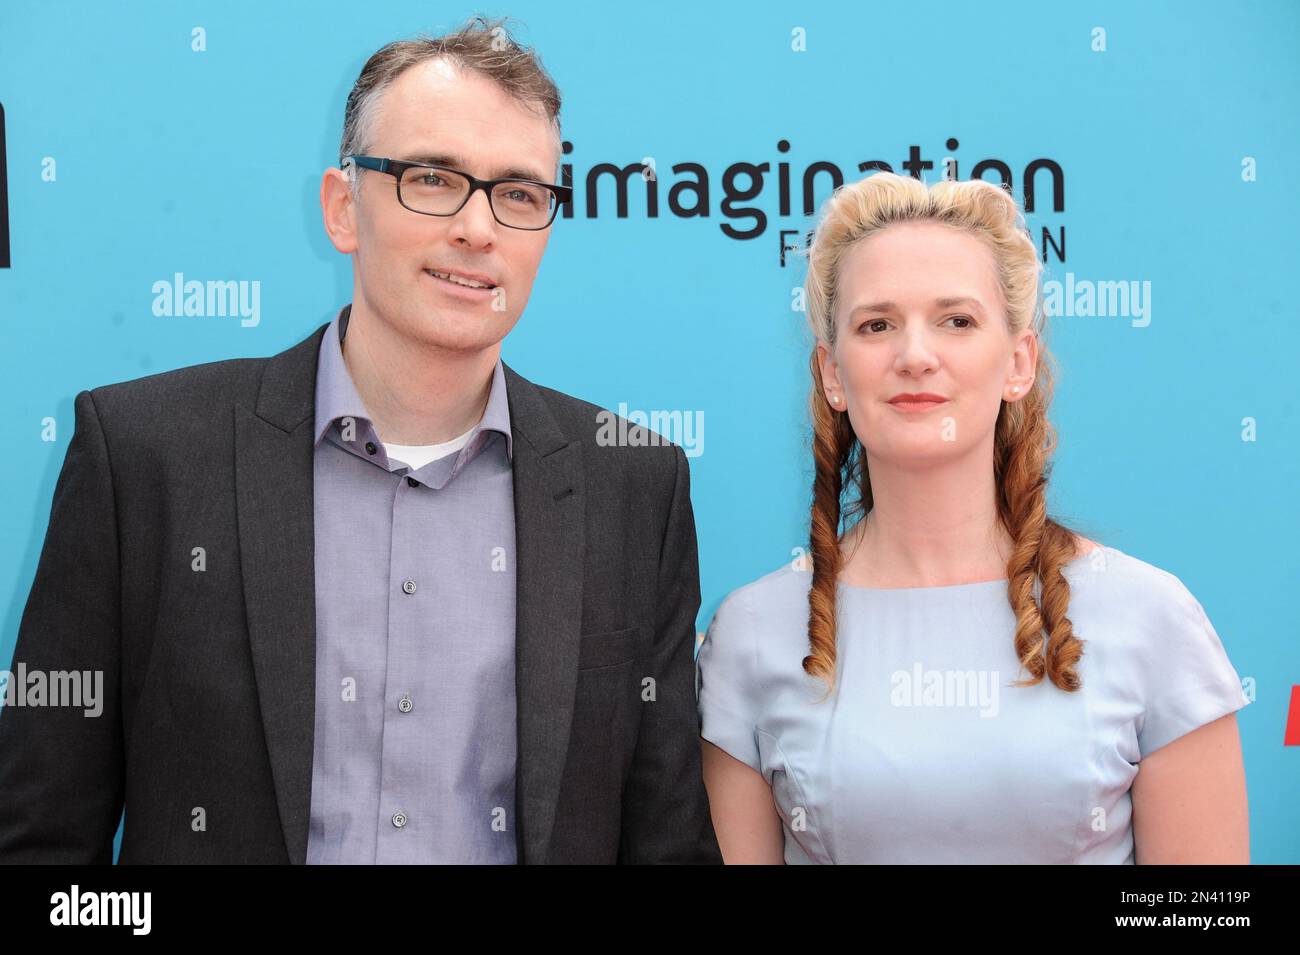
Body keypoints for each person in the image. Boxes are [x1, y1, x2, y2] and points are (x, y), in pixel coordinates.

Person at [0, 17, 721, 864]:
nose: (478, 229)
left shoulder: (634, 486)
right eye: (433, 178)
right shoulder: (143, 455)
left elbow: (667, 843)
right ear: (343, 208)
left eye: (519, 194)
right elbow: (41, 845)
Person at [696, 171, 1250, 864]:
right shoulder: (751, 633)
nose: (916, 356)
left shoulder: (1150, 616)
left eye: (956, 320)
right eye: (877, 324)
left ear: (1019, 362)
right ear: (832, 373)